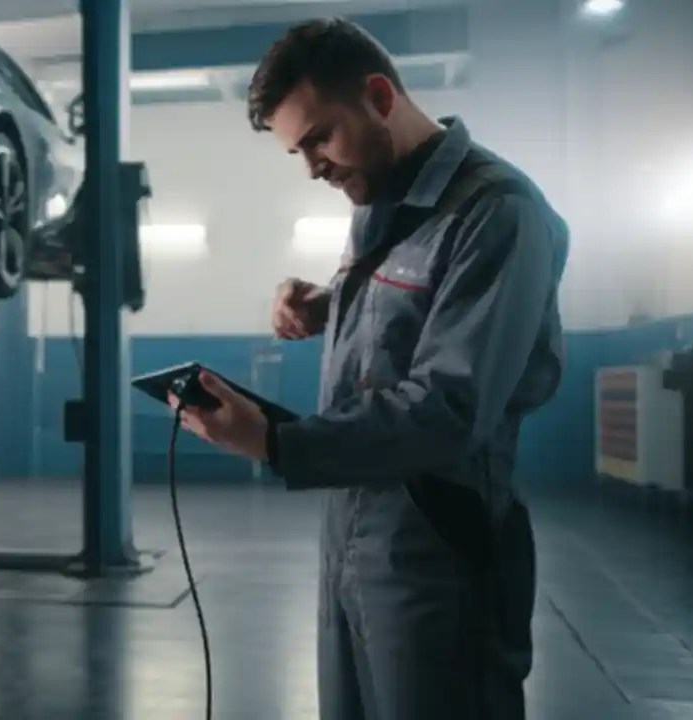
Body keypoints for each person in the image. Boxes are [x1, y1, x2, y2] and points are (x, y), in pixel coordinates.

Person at [171, 18, 569, 720]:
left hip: (441, 552)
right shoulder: (379, 201)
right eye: (298, 151)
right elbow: (411, 310)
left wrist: (275, 441)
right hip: (352, 538)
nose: (312, 167)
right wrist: (331, 301)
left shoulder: (498, 213)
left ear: (380, 97)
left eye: (319, 138)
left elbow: (448, 407)